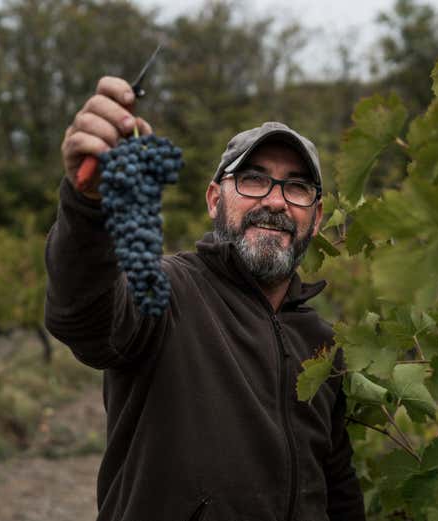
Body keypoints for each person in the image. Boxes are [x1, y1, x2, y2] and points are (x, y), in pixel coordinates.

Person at [45, 76, 366, 521]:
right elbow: (83, 317)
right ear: (215, 199)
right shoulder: (167, 292)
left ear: (316, 217)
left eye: (296, 188)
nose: (275, 202)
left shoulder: (321, 341)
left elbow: (338, 487)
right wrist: (89, 206)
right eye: (253, 179)